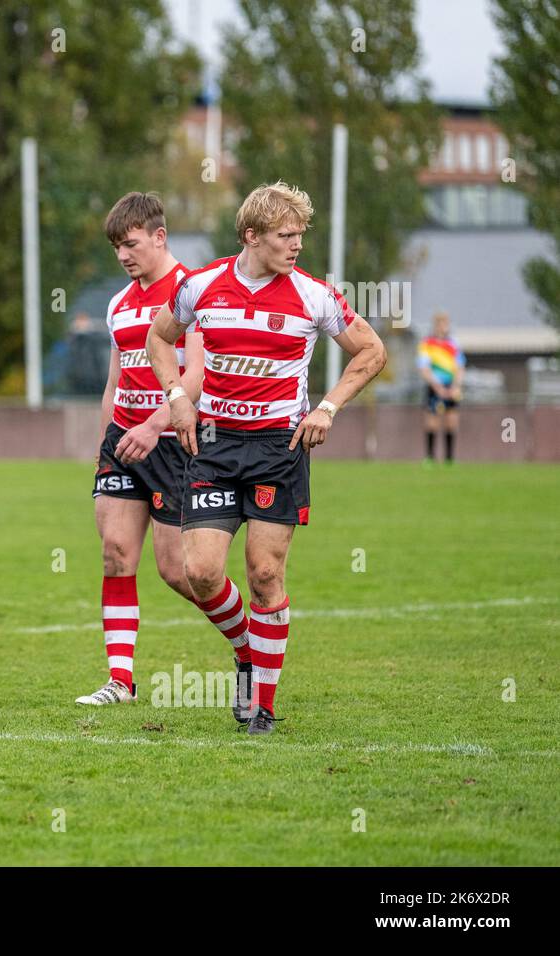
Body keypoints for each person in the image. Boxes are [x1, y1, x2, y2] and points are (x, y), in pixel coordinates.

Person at [145, 182, 386, 734]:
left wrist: (327, 407)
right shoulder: (201, 286)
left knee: (264, 572)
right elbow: (160, 339)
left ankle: (263, 706)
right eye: (285, 236)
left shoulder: (313, 295)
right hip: (215, 444)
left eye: (301, 235)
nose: (297, 245)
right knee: (201, 573)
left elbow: (372, 350)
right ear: (251, 236)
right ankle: (249, 652)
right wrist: (177, 397)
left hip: (280, 448)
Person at [78, 192, 254, 708]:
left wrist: (155, 426)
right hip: (124, 441)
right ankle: (121, 680)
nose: (123, 256)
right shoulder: (118, 303)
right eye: (116, 247)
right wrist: (104, 441)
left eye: (130, 244)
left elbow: (197, 376)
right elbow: (115, 381)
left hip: (175, 442)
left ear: (160, 237)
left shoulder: (194, 292)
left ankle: (247, 647)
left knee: (180, 572)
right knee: (114, 555)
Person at [417, 311, 464, 465]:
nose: (444, 327)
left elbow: (459, 367)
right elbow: (424, 368)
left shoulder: (453, 343)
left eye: (446, 323)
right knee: (432, 421)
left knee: (452, 420)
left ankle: (449, 458)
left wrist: (456, 386)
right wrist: (437, 387)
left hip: (450, 386)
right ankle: (430, 457)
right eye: (441, 323)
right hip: (434, 386)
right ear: (436, 325)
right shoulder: (427, 344)